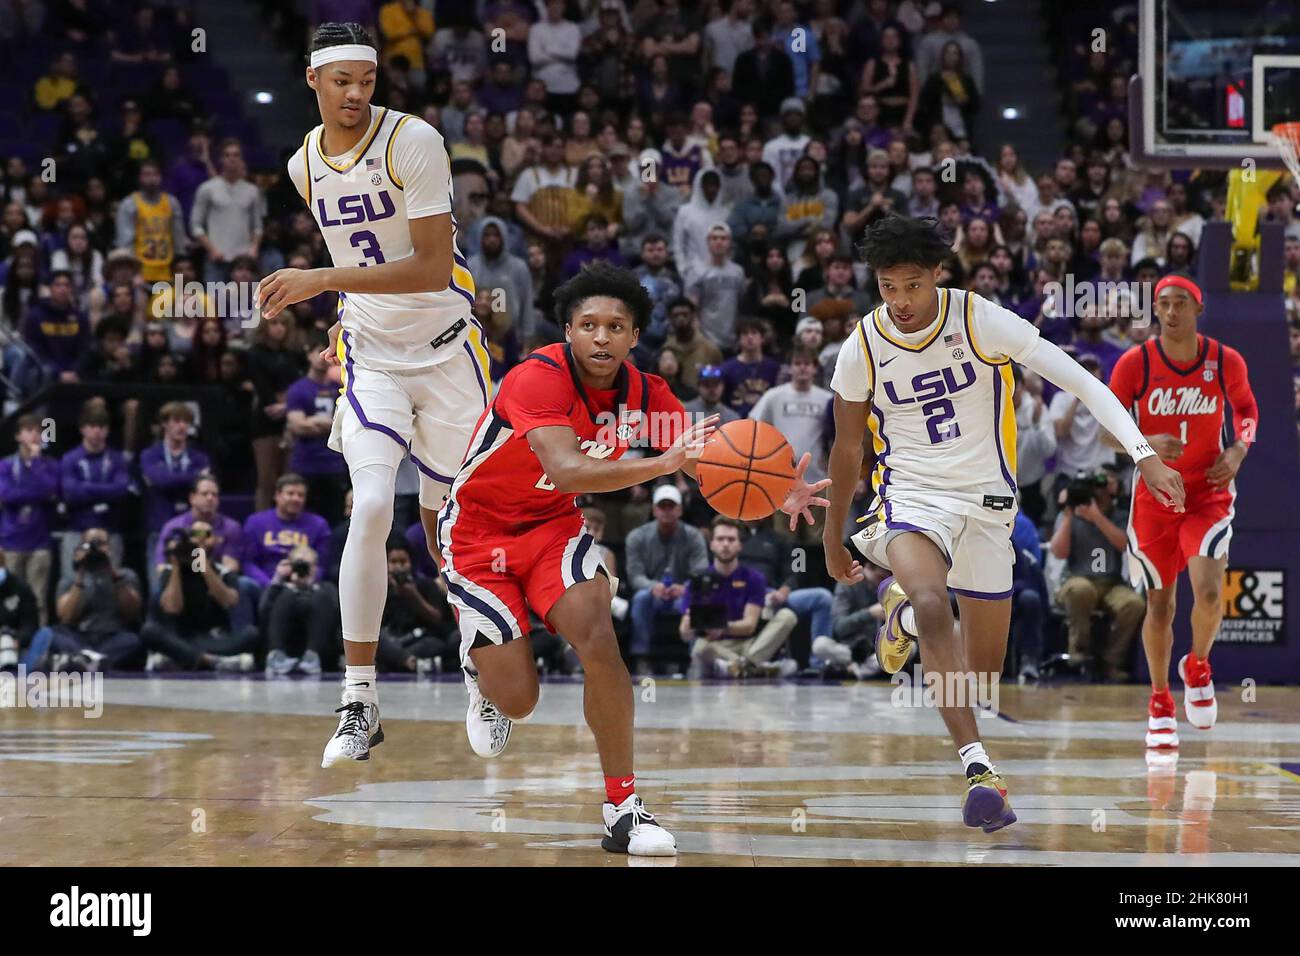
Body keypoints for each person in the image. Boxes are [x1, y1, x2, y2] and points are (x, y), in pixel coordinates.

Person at [434, 262, 828, 855]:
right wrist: (660, 464)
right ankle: (482, 672)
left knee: (599, 632)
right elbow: (565, 468)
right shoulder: (535, 378)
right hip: (475, 533)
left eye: (615, 326)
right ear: (567, 331)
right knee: (520, 698)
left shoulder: (646, 393)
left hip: (550, 528)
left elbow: (706, 458)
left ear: (635, 337)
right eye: (588, 324)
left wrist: (777, 491)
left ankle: (623, 808)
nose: (601, 336)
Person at [822, 216, 1183, 832]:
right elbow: (847, 448)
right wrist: (833, 536)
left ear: (938, 273)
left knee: (980, 673)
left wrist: (1142, 455)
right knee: (937, 604)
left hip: (989, 507)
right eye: (888, 287)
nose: (901, 301)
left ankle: (901, 614)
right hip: (911, 497)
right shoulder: (862, 346)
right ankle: (979, 768)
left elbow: (1082, 381)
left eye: (913, 284)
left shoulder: (979, 319)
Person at [258, 23, 493, 767]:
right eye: (341, 82)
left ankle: (477, 671)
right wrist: (334, 299)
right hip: (371, 357)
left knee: (449, 531)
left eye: (367, 80)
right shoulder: (303, 164)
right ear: (312, 81)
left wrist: (319, 280)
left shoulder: (414, 141)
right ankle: (359, 699)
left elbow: (427, 268)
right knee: (370, 504)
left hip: (450, 353)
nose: (356, 94)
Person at [1104, 275, 1258, 749]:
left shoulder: (1223, 359)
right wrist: (1144, 447)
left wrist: (1237, 451)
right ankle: (1159, 702)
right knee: (1160, 604)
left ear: (1198, 306)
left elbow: (1248, 412)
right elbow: (1107, 432)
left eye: (1179, 304)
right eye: (1162, 305)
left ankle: (1198, 664)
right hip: (1155, 499)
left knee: (1210, 593)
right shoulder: (1137, 363)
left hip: (1207, 493)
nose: (1170, 313)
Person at [1049, 470, 1145, 681]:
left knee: (1133, 603)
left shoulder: (1120, 516)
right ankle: (1079, 655)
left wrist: (1097, 517)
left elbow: (1124, 545)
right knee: (1082, 590)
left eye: (1102, 490)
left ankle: (1111, 662)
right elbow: (1059, 551)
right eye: (1093, 490)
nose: (1097, 494)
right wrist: (1067, 513)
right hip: (1077, 579)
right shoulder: (1070, 515)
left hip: (1111, 583)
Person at [680, 516, 799, 678]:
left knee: (787, 616)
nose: (726, 544)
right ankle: (755, 668)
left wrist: (720, 626)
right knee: (700, 648)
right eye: (720, 539)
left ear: (740, 545)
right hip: (715, 646)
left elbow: (749, 625)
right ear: (712, 544)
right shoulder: (697, 580)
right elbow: (684, 634)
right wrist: (689, 623)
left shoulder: (754, 578)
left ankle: (739, 666)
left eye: (731, 539)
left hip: (749, 644)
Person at [140, 521, 258, 672]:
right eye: (195, 535)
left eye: (206, 535)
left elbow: (229, 602)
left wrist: (204, 566)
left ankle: (183, 659)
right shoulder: (170, 571)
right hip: (179, 637)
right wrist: (177, 565)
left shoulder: (223, 571)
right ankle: (212, 661)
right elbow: (172, 608)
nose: (200, 539)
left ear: (216, 540)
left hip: (212, 638)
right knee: (149, 631)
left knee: (251, 634)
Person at [626, 483, 709, 670]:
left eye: (671, 506)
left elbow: (701, 572)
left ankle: (695, 657)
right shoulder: (637, 537)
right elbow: (635, 575)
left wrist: (685, 588)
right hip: (653, 594)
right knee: (641, 598)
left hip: (681, 594)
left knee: (695, 599)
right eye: (662, 506)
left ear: (680, 510)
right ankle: (641, 657)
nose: (666, 511)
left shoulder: (694, 536)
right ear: (654, 510)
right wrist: (652, 586)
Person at [41, 527, 144, 672]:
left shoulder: (125, 575)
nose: (96, 549)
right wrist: (80, 574)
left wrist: (113, 574)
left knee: (134, 641)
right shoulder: (70, 580)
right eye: (90, 544)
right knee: (52, 635)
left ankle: (83, 659)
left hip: (113, 636)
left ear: (110, 547)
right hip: (79, 637)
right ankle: (96, 660)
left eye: (101, 544)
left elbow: (132, 613)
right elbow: (66, 618)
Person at [0, 414, 59, 624]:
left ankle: (37, 648)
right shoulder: (5, 465)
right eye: (28, 430)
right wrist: (37, 494)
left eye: (38, 430)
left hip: (40, 542)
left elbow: (50, 490)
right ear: (17, 435)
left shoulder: (49, 464)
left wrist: (35, 464)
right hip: (11, 541)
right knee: (8, 598)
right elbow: (6, 495)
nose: (34, 435)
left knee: (38, 600)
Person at [261, 545, 341, 677]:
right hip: (286, 642)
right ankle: (277, 655)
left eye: (307, 565)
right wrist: (278, 580)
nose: (303, 569)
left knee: (320, 596)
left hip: (319, 647)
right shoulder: (280, 589)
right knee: (287, 595)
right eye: (298, 564)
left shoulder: (326, 589)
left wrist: (310, 588)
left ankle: (312, 656)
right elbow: (263, 611)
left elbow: (335, 616)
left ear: (315, 567)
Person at [0, 545, 39, 673]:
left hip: (15, 642)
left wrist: (19, 640)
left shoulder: (20, 587)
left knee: (46, 634)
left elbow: (30, 623)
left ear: (4, 564)